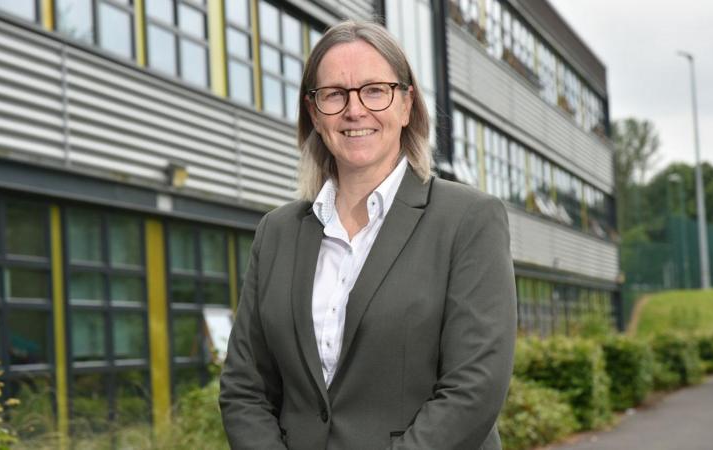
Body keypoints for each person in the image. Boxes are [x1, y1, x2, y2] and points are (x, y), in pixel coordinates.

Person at [219, 20, 517, 450]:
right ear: (314, 114)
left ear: (406, 104)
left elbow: (475, 386)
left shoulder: (469, 219)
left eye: (375, 90)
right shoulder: (276, 232)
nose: (354, 110)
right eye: (334, 94)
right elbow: (244, 389)